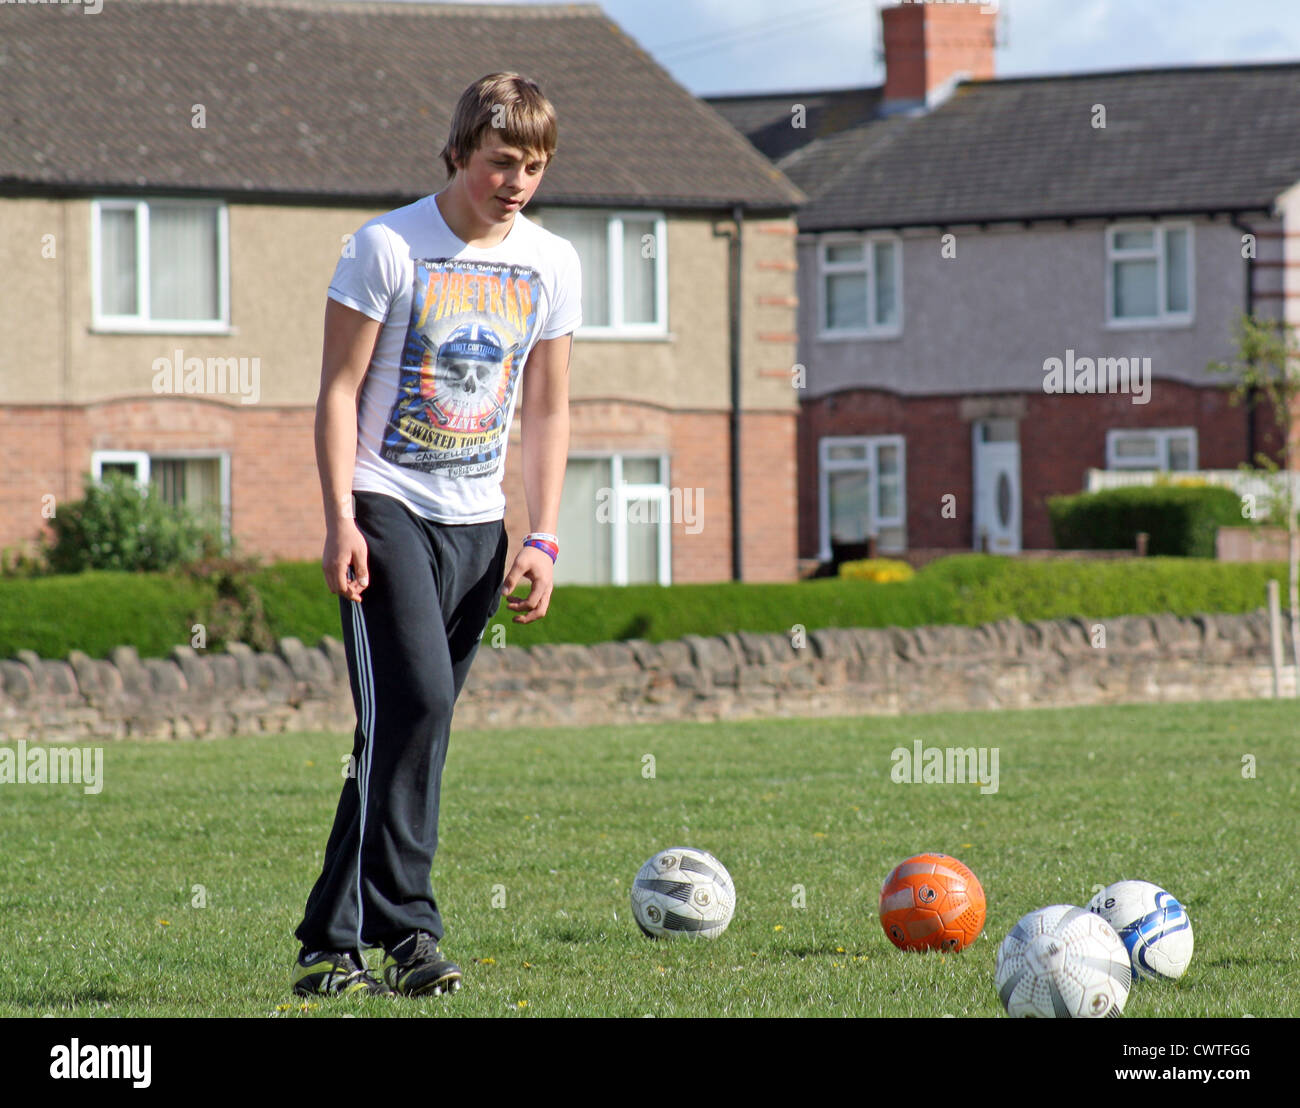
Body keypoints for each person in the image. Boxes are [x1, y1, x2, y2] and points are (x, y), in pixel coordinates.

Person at [291, 72, 581, 997]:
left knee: (400, 731)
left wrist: (542, 539)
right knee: (416, 710)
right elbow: (337, 392)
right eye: (502, 163)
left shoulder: (553, 263)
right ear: (460, 152)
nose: (517, 183)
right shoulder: (386, 246)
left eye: (533, 167)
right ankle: (409, 934)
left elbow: (549, 405)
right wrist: (340, 517)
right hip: (386, 507)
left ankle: (326, 947)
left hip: (479, 525)